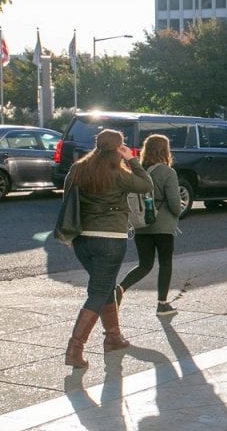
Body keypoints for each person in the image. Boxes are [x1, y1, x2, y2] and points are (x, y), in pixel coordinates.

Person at [62, 129, 153, 368]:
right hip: (110, 239)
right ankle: (75, 348)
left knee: (106, 286)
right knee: (99, 291)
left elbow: (67, 199)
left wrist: (69, 233)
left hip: (82, 239)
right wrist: (132, 159)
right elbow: (146, 185)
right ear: (117, 148)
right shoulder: (119, 173)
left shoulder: (78, 168)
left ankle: (113, 337)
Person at [117, 134, 181, 316]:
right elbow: (175, 204)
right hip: (163, 225)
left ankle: (120, 288)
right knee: (165, 263)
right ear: (165, 151)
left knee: (144, 264)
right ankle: (162, 304)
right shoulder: (168, 173)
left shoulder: (138, 171)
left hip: (141, 224)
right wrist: (178, 212)